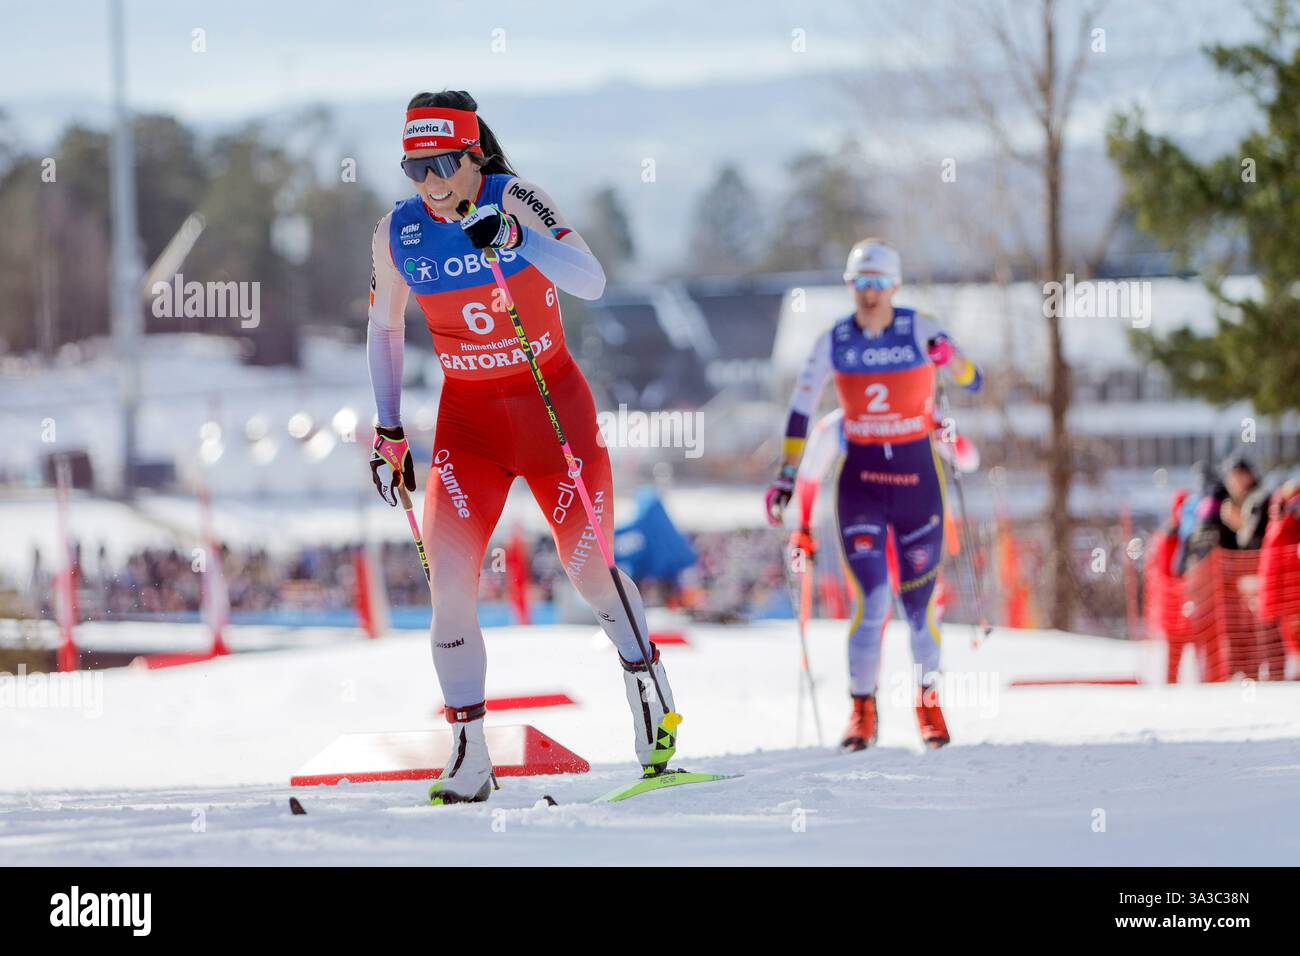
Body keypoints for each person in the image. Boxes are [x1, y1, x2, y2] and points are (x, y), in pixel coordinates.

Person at [366, 90, 676, 804]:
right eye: (415, 168)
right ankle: (471, 753)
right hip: (467, 427)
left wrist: (514, 241)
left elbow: (591, 282)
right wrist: (388, 431)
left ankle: (649, 691)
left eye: (443, 164)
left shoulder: (519, 198)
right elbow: (384, 328)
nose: (430, 183)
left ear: (473, 155)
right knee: (449, 587)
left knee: (590, 572)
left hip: (551, 412)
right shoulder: (398, 233)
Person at [765, 239, 982, 751]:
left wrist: (952, 360)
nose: (870, 293)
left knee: (919, 607)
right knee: (872, 601)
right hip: (861, 489)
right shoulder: (833, 340)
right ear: (850, 287)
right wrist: (786, 476)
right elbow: (802, 410)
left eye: (879, 283)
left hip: (918, 492)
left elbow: (973, 380)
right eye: (861, 283)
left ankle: (928, 703)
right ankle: (862, 709)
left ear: (895, 286)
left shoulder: (920, 327)